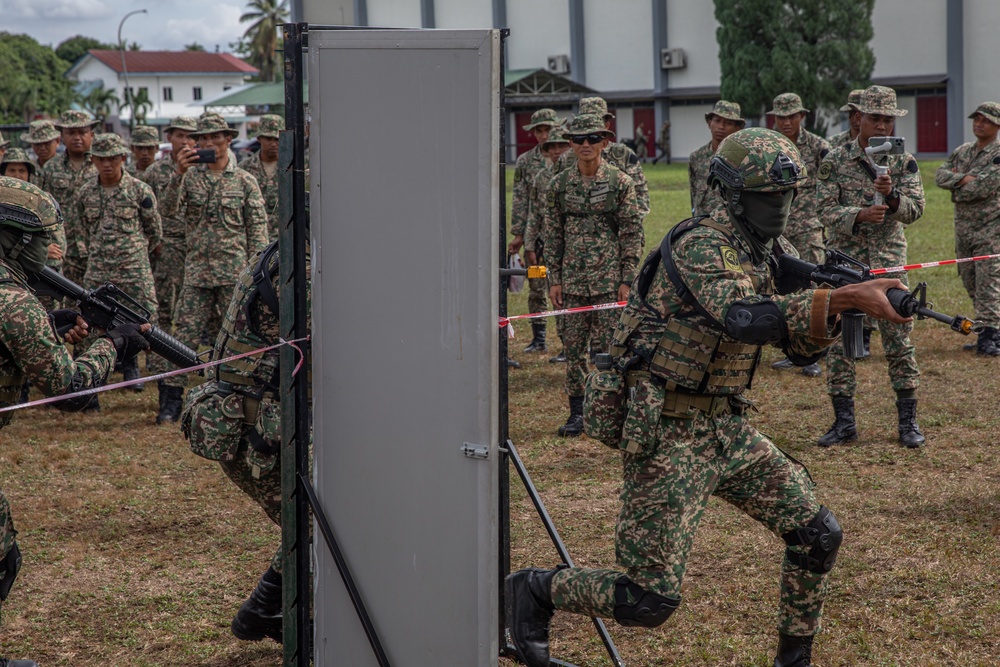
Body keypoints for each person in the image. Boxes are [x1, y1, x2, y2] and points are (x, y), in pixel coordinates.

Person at [505, 127, 913, 667]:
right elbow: (745, 319)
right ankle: (535, 590)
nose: (783, 207)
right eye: (770, 196)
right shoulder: (702, 243)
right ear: (736, 194)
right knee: (648, 600)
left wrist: (835, 310)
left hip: (726, 425)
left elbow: (800, 347)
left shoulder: (770, 250)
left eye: (789, 195)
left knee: (817, 535)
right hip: (668, 431)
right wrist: (839, 296)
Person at [0, 176, 150, 667]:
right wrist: (116, 344)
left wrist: (52, 324)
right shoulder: (15, 303)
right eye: (43, 240)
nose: (51, 252)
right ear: (14, 239)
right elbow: (69, 392)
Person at [181, 238, 309, 644]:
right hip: (258, 431)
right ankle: (263, 611)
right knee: (318, 526)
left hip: (250, 421)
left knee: (309, 523)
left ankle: (264, 609)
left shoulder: (283, 252)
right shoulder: (301, 267)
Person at [816, 85, 926, 448]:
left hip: (888, 264)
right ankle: (844, 422)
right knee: (841, 343)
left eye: (888, 119)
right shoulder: (834, 160)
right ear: (858, 118)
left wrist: (893, 197)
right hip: (846, 265)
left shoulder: (903, 161)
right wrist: (858, 215)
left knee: (899, 340)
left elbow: (916, 210)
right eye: (875, 117)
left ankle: (908, 423)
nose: (882, 125)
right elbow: (823, 211)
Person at [158, 114, 269, 424]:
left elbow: (258, 232)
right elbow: (166, 211)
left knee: (239, 339)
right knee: (182, 338)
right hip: (196, 274)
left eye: (214, 138)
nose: (207, 143)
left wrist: (256, 278)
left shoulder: (245, 181)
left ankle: (234, 398)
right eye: (202, 139)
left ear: (227, 139)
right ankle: (170, 402)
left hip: (234, 278)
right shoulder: (190, 177)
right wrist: (178, 173)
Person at [544, 114, 644, 436]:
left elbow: (632, 233)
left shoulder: (621, 183)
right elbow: (553, 236)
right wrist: (554, 280)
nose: (585, 144)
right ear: (570, 144)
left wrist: (627, 279)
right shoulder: (558, 186)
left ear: (605, 141)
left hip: (608, 283)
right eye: (578, 139)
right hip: (571, 282)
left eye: (592, 138)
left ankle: (607, 411)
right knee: (572, 351)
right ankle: (577, 414)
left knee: (608, 351)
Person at [72, 133, 162, 394]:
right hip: (99, 268)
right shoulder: (85, 192)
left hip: (134, 268)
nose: (107, 164)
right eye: (101, 159)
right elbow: (80, 228)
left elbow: (154, 230)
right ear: (94, 161)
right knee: (88, 321)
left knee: (143, 318)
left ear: (123, 158)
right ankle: (89, 383)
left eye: (113, 158)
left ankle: (134, 367)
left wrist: (133, 250)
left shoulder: (140, 190)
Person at [767, 93, 831, 378]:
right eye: (781, 117)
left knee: (813, 289)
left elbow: (830, 187)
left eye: (791, 116)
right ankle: (793, 350)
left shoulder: (818, 147)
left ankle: (815, 352)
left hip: (807, 228)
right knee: (785, 291)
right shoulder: (768, 145)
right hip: (777, 229)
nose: (786, 121)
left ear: (802, 116)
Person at [934, 101, 1000, 356]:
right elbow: (939, 176)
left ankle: (989, 337)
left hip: (990, 229)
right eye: (976, 119)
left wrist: (957, 184)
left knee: (988, 284)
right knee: (970, 280)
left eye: (985, 120)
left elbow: (983, 187)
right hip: (963, 229)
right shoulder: (963, 151)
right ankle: (988, 330)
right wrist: (963, 180)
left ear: (997, 125)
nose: (979, 123)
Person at [509, 108, 563, 356]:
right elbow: (521, 200)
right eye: (539, 130)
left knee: (565, 288)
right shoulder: (525, 162)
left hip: (565, 238)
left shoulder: (569, 156)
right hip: (537, 237)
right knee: (537, 286)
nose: (544, 135)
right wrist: (520, 235)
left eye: (548, 130)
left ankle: (567, 340)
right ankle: (539, 337)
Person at [142, 116, 197, 348]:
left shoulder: (204, 167)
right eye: (180, 135)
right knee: (165, 303)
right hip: (167, 244)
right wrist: (155, 244)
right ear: (169, 138)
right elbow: (147, 211)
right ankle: (164, 350)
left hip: (199, 245)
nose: (185, 141)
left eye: (190, 136)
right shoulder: (155, 171)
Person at [556, 97, 650, 218]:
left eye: (596, 121)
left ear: (606, 126)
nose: (590, 126)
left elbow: (640, 195)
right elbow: (555, 199)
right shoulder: (566, 158)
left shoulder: (622, 155)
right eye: (585, 122)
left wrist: (628, 225)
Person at [523, 128, 572, 363]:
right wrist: (530, 245)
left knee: (568, 297)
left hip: (570, 248)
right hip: (544, 247)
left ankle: (572, 346)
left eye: (561, 145)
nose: (556, 151)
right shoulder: (541, 178)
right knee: (540, 292)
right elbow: (534, 215)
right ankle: (541, 339)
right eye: (551, 147)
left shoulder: (576, 174)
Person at [40, 110, 99, 286]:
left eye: (82, 132)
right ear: (62, 136)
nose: (77, 137)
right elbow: (41, 209)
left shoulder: (101, 165)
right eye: (71, 133)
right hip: (62, 250)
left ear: (92, 135)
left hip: (97, 249)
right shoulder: (51, 168)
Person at [689, 100, 745, 216]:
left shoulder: (743, 158)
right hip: (703, 220)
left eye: (728, 123)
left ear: (738, 128)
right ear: (710, 123)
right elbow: (693, 192)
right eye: (717, 121)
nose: (721, 127)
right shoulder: (696, 156)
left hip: (732, 221)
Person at [240, 114, 284, 239]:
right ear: (259, 138)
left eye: (277, 139)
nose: (273, 144)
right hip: (254, 237)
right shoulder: (244, 169)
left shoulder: (294, 168)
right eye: (268, 139)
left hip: (286, 238)